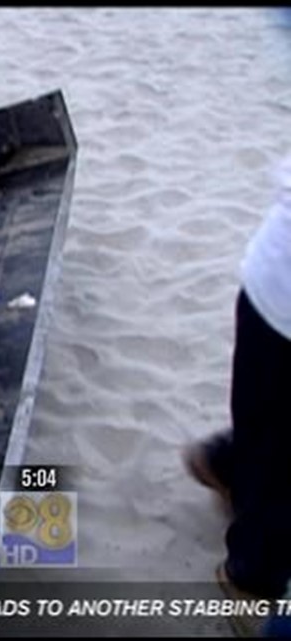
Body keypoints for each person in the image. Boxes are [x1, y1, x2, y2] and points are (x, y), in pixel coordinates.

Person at [184, 153, 291, 621]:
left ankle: (228, 463)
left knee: (267, 421)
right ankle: (248, 581)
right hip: (282, 300)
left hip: (271, 285)